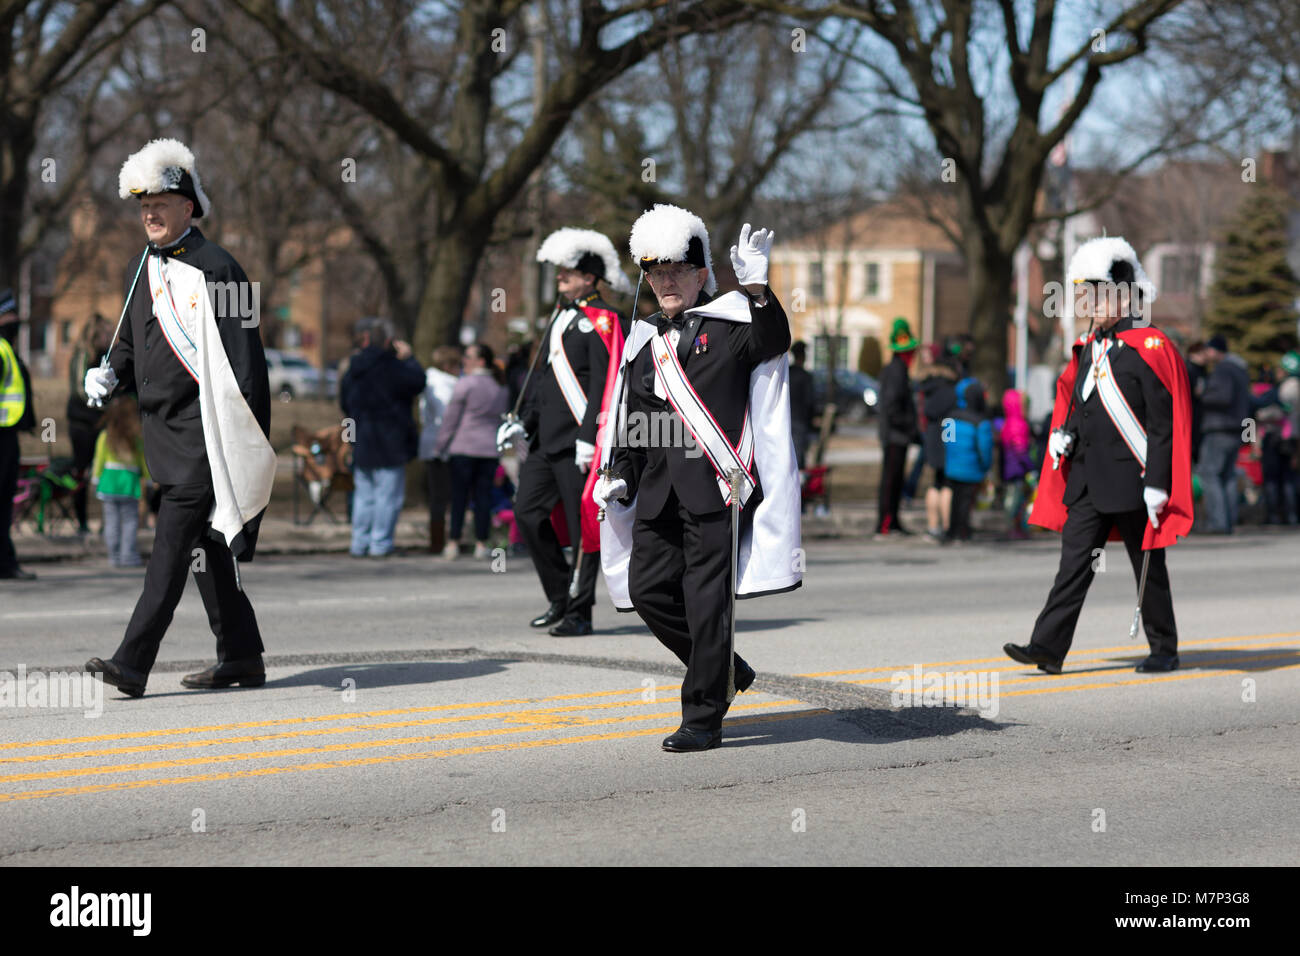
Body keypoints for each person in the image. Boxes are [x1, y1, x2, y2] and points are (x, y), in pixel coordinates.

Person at [595, 206, 800, 752]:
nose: (666, 282)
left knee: (707, 603)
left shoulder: (732, 326)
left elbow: (774, 340)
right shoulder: (644, 340)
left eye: (677, 271)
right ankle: (725, 666)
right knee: (647, 592)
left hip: (718, 487)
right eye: (656, 273)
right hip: (658, 491)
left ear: (701, 273)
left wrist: (758, 291)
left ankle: (703, 716)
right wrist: (621, 474)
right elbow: (634, 419)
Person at [83, 138, 276, 697]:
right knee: (206, 552)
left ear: (188, 208)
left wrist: (245, 441)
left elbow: (247, 363)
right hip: (161, 436)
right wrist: (107, 374)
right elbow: (128, 343)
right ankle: (242, 656)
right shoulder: (138, 267)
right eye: (144, 206)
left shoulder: (223, 269)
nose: (150, 214)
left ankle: (132, 663)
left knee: (169, 552)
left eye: (161, 204)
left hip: (204, 435)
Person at [1005, 236, 1192, 675]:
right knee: (1072, 566)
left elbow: (1162, 425)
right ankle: (1047, 647)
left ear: (1124, 297)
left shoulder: (1150, 347)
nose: (1089, 305)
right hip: (1088, 481)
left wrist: (1158, 484)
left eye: (1098, 296)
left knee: (1147, 567)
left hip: (1134, 480)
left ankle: (1164, 649)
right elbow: (1081, 403)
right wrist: (1065, 435)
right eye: (1086, 296)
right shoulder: (1091, 346)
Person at [498, 228, 628, 636]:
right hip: (545, 441)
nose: (559, 277)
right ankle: (559, 595)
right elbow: (543, 380)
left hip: (579, 443)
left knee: (582, 526)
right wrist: (523, 421)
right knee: (527, 514)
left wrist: (591, 437)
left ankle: (579, 611)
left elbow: (604, 385)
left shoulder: (604, 320)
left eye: (567, 272)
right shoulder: (560, 316)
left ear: (589, 278)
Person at [341, 317, 426, 558]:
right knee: (387, 497)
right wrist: (409, 359)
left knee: (364, 496)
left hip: (363, 438)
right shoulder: (395, 367)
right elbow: (419, 383)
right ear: (389, 341)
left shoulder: (355, 367)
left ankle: (359, 543)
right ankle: (380, 543)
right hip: (391, 440)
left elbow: (345, 402)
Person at [437, 341, 509, 559]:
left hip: (464, 447)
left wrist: (440, 445)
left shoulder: (466, 384)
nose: (464, 361)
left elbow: (451, 419)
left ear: (481, 361)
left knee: (459, 497)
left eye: (468, 357)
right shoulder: (500, 386)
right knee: (483, 497)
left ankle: (453, 541)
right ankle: (481, 542)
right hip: (489, 449)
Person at [1, 289, 38, 580]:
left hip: (7, 435)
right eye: (9, 315)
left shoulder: (6, 348)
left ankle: (5, 561)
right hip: (1, 437)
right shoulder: (2, 348)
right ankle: (5, 562)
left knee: (4, 502)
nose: (14, 321)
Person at [1196, 334, 1250, 533]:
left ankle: (1217, 523)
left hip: (1219, 427)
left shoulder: (1223, 369)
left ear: (1215, 350)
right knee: (1227, 476)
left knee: (1209, 474)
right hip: (1236, 428)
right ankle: (1229, 521)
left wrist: (1202, 393)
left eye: (1209, 349)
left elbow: (1222, 397)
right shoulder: (1240, 369)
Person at [874, 317, 921, 538]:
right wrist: (910, 427)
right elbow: (893, 407)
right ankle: (885, 522)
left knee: (896, 479)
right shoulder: (896, 371)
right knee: (891, 480)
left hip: (898, 434)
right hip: (895, 435)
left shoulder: (898, 369)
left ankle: (893, 520)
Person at [67, 315, 112, 535]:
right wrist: (101, 405)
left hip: (100, 422)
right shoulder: (82, 355)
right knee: (82, 472)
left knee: (106, 470)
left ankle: (107, 521)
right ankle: (82, 521)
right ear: (96, 335)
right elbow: (79, 389)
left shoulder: (106, 356)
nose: (110, 337)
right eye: (106, 334)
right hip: (82, 422)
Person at [92, 396, 150, 566]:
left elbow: (99, 460)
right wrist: (148, 479)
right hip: (128, 484)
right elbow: (144, 461)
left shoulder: (105, 436)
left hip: (108, 483)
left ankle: (114, 555)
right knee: (130, 521)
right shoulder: (136, 438)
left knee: (111, 522)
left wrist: (95, 479)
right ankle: (128, 555)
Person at [418, 344, 461, 552]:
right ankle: (441, 540)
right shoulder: (442, 384)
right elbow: (446, 416)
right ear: (447, 365)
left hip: (433, 442)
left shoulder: (431, 381)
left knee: (438, 495)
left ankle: (439, 539)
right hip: (443, 445)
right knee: (443, 495)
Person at [915, 344, 958, 543]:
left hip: (931, 433)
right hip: (948, 430)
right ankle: (948, 526)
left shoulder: (926, 385)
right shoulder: (950, 387)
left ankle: (933, 527)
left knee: (935, 482)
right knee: (947, 483)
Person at [942, 378, 993, 543]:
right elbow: (985, 448)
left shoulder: (950, 417)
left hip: (952, 465)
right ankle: (962, 531)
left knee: (955, 499)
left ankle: (951, 530)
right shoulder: (981, 422)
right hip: (971, 468)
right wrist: (985, 466)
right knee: (965, 501)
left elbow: (946, 441)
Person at [997, 388, 1034, 539]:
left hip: (1008, 468)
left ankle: (1014, 527)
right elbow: (1020, 450)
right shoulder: (1019, 425)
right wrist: (1030, 467)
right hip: (1018, 469)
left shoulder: (1006, 423)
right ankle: (1014, 528)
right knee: (1016, 501)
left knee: (1013, 499)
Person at [788, 340, 815, 469]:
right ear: (803, 356)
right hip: (800, 421)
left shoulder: (787, 373)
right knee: (799, 459)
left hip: (785, 419)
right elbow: (810, 401)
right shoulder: (805, 376)